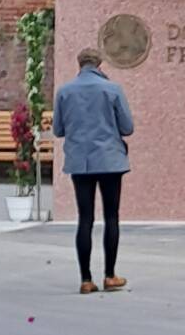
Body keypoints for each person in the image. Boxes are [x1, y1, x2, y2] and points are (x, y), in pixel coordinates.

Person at [53, 48, 134, 295]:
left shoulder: (64, 92)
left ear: (79, 65)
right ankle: (110, 275)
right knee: (111, 216)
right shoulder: (112, 90)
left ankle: (86, 279)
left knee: (85, 219)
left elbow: (58, 130)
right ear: (100, 65)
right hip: (110, 160)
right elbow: (128, 127)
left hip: (80, 162)